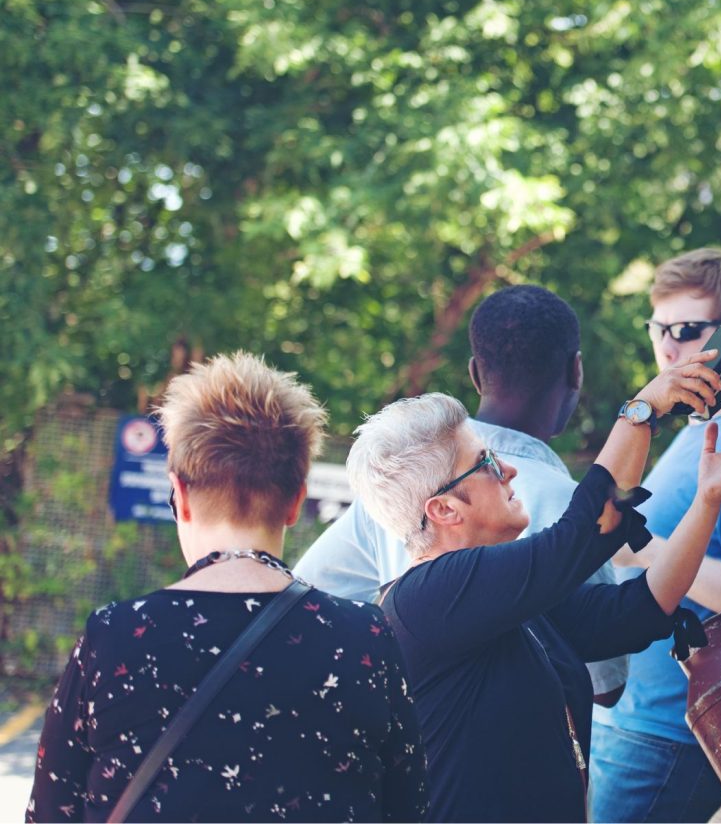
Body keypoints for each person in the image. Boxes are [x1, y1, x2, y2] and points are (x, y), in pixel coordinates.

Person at [346, 350, 721, 822]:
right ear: (444, 510)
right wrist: (642, 409)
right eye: (488, 463)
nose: (510, 470)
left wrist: (707, 501)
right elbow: (584, 532)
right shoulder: (428, 597)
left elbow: (639, 610)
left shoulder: (499, 601)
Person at [28, 353, 426, 823]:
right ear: (297, 499)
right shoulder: (365, 638)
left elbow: (52, 812)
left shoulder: (112, 637)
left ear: (179, 494)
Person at [295, 285, 631, 706]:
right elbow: (606, 685)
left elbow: (307, 598)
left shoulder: (401, 486)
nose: (508, 472)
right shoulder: (564, 502)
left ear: (474, 374)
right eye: (488, 463)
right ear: (576, 370)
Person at [591, 248, 721, 824]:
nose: (667, 347)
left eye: (687, 330)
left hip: (672, 729)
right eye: (658, 327)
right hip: (635, 720)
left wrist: (650, 552)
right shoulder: (698, 430)